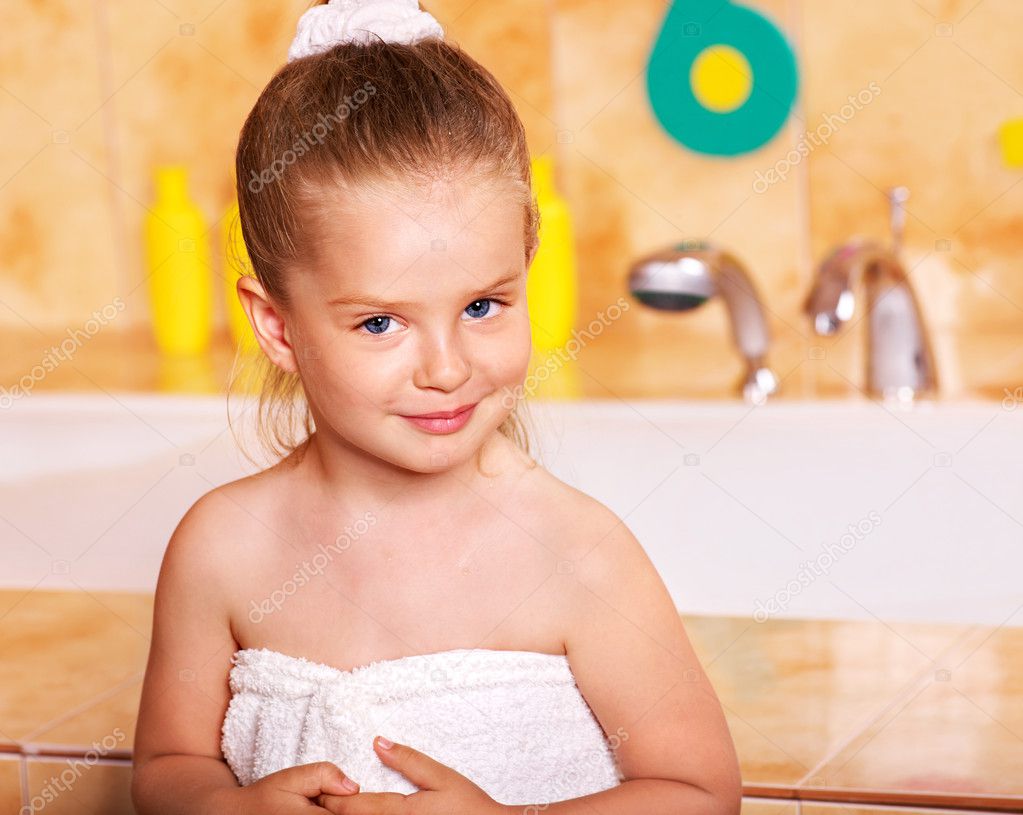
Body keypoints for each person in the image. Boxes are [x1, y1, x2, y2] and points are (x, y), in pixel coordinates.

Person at [130, 1, 742, 813]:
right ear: (276, 326)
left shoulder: (576, 552)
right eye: (380, 322)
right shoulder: (222, 549)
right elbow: (168, 765)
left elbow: (700, 792)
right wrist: (227, 805)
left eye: (483, 306)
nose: (447, 368)